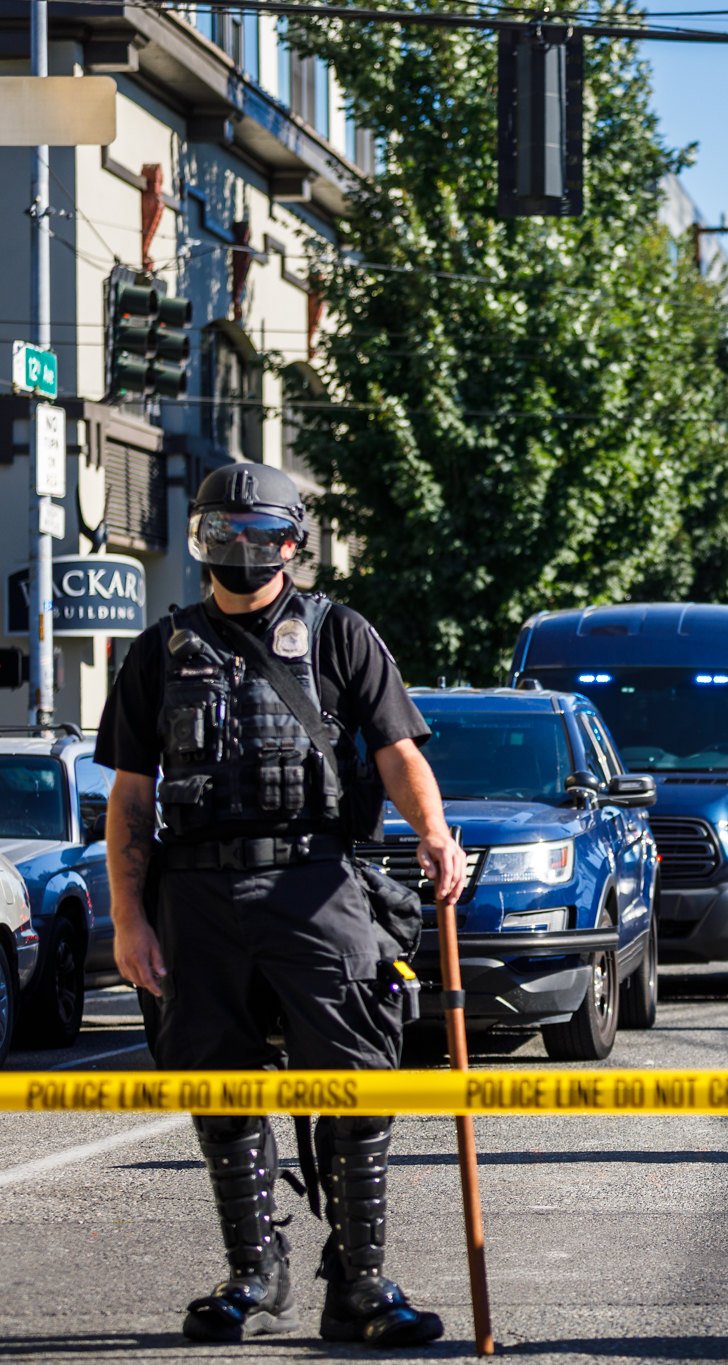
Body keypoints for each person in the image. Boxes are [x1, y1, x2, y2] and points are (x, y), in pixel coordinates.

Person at [98, 462, 458, 1349]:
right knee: (220, 1088)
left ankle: (363, 1284)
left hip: (315, 883)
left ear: (294, 542)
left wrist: (436, 830)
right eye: (224, 537)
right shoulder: (161, 649)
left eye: (262, 537)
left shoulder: (339, 635)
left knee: (355, 1079)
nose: (243, 554)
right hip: (194, 894)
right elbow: (131, 796)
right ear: (202, 545)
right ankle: (254, 1275)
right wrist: (128, 917)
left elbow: (397, 750)